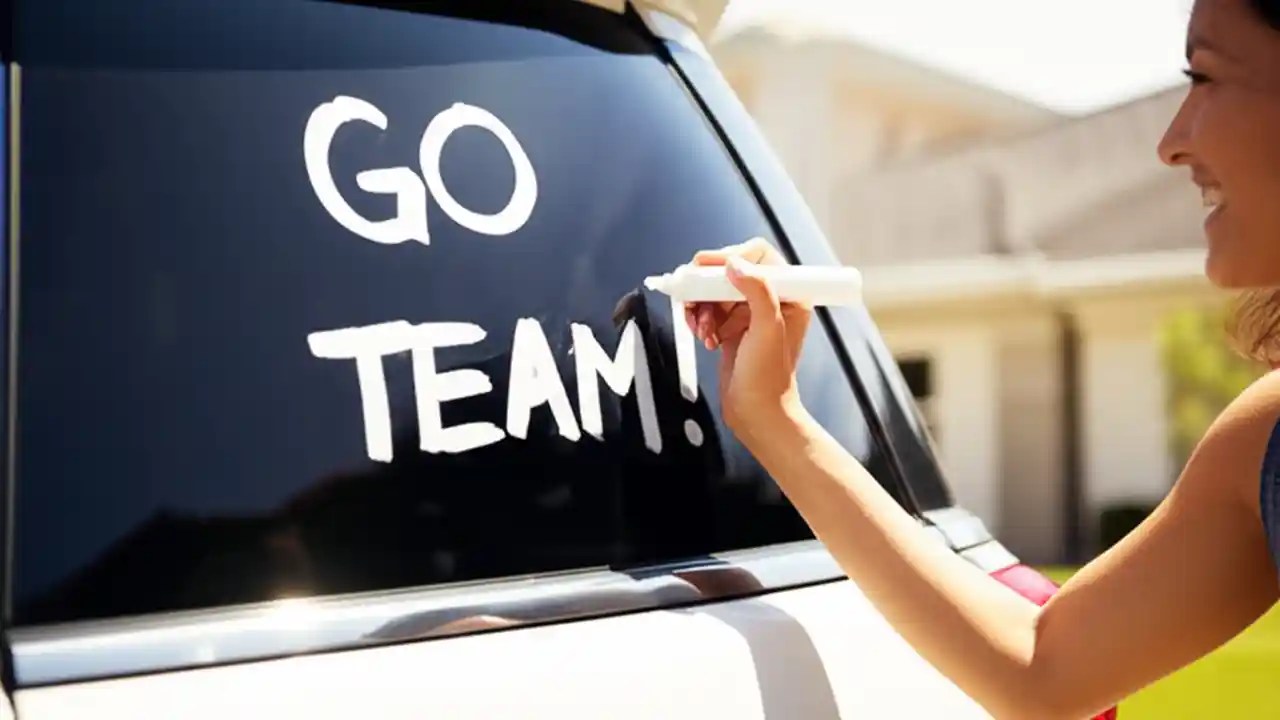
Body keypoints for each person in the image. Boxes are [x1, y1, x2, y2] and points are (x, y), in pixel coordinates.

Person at [682, 1, 1280, 717]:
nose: (1172, 143)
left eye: (1206, 78)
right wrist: (773, 419)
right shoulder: (1265, 439)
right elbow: (1042, 670)